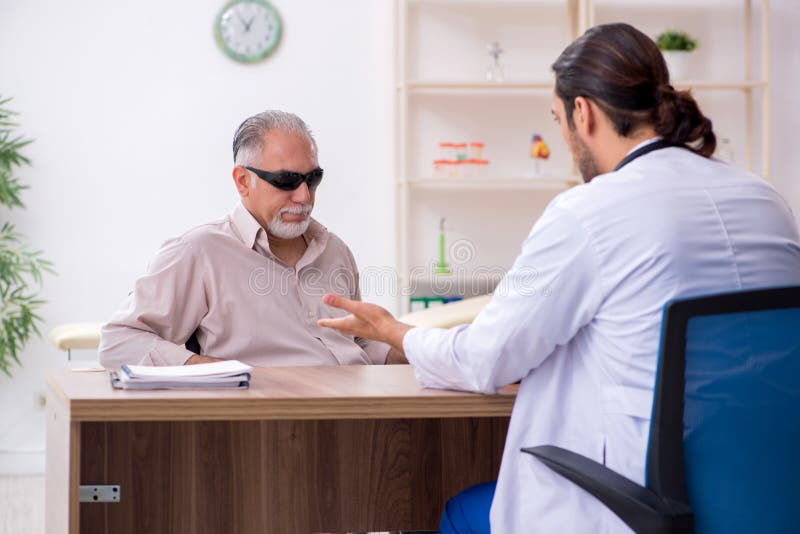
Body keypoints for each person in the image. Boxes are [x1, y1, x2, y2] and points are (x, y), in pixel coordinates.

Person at [318, 23, 800, 533]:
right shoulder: (765, 200)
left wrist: (397, 332)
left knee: (462, 512)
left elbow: (487, 358)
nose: (565, 140)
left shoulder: (589, 212)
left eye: (558, 120)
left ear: (583, 112)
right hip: (767, 495)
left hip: (647, 505)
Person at [99, 111, 394, 369]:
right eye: (286, 181)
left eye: (313, 179)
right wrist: (214, 370)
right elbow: (118, 342)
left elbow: (356, 345)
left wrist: (417, 350)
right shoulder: (199, 252)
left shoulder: (334, 250)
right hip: (268, 423)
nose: (304, 196)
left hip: (358, 414)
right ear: (242, 181)